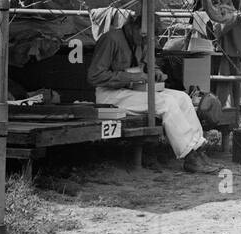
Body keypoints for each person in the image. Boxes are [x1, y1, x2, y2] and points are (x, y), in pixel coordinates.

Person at [87, 11, 218, 173]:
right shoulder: (110, 39)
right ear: (133, 26)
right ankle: (189, 156)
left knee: (182, 97)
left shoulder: (140, 40)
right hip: (110, 95)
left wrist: (155, 72)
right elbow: (94, 76)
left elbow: (148, 65)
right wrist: (132, 77)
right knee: (166, 103)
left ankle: (198, 149)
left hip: (132, 91)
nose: (145, 41)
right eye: (144, 36)